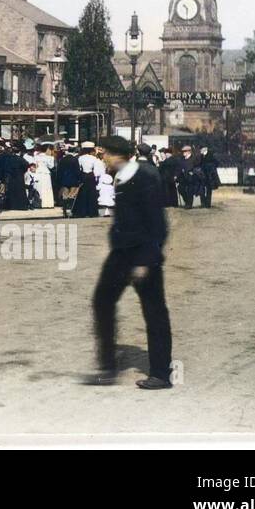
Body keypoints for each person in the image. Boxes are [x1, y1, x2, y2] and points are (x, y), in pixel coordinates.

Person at [87, 135, 173, 390]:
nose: (102, 158)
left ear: (115, 155)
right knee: (102, 301)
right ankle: (107, 368)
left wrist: (146, 261)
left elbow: (157, 223)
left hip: (143, 254)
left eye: (104, 154)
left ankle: (160, 374)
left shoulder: (144, 176)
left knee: (154, 310)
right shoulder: (122, 175)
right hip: (121, 254)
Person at [70, 141, 102, 218]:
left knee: (82, 194)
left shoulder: (80, 158)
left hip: (83, 175)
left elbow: (78, 168)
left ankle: (81, 212)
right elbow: (97, 171)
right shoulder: (94, 158)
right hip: (91, 176)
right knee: (92, 194)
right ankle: (92, 212)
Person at [54, 143, 82, 215]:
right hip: (73, 180)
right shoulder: (75, 160)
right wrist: (79, 179)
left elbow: (59, 171)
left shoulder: (62, 160)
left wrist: (58, 180)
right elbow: (77, 170)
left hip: (65, 180)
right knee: (71, 195)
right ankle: (71, 210)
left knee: (65, 196)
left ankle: (64, 210)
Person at [176, 144, 201, 208]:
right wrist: (176, 176)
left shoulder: (194, 158)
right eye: (183, 151)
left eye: (184, 151)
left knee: (190, 191)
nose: (183, 153)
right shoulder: (182, 159)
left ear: (189, 151)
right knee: (180, 189)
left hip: (191, 178)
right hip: (183, 178)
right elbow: (179, 168)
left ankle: (189, 204)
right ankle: (187, 201)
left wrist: (193, 172)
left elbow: (197, 167)